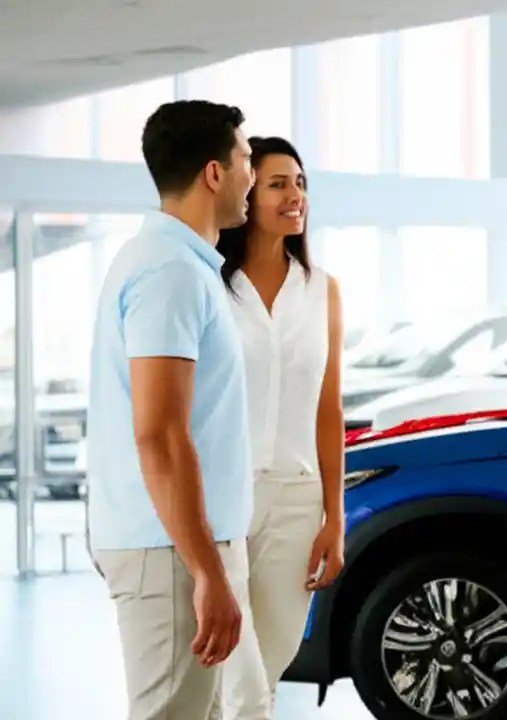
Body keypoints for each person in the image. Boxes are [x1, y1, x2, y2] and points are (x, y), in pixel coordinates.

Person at [87, 99, 257, 719]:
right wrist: (207, 572)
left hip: (179, 548)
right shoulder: (169, 273)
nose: (251, 175)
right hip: (172, 555)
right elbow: (158, 433)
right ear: (213, 173)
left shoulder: (179, 266)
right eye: (244, 159)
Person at [216, 136, 345, 717]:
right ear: (247, 194)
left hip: (298, 502)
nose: (295, 195)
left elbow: (328, 408)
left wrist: (334, 518)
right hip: (223, 501)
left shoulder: (323, 291)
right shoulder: (212, 287)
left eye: (300, 183)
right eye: (277, 183)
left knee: (264, 674)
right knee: (236, 683)